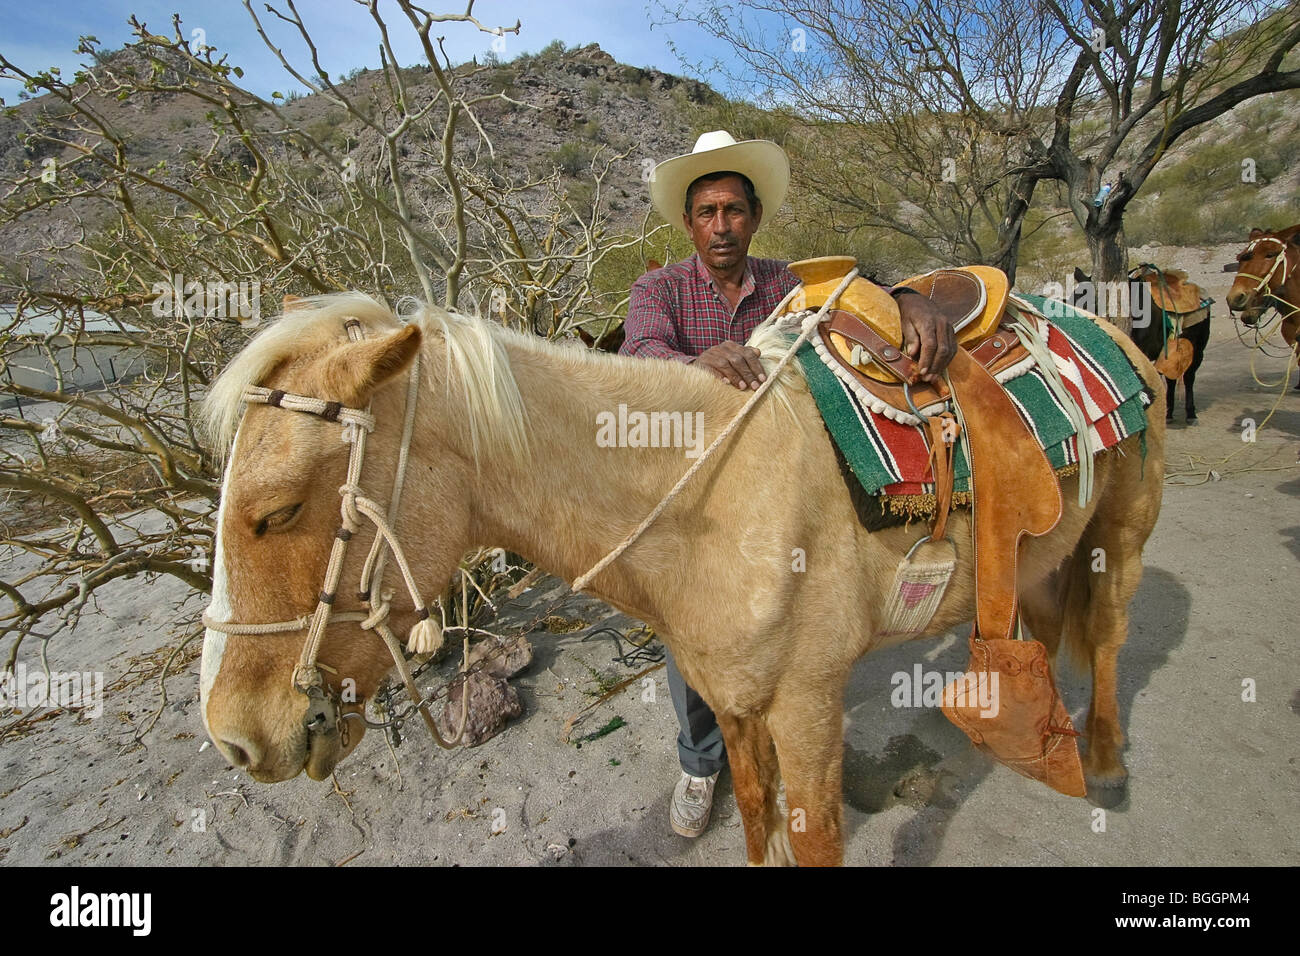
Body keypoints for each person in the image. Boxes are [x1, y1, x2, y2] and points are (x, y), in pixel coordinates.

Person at [620, 130, 957, 838]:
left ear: (754, 217)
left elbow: (859, 296)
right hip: (698, 500)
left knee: (796, 618)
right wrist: (694, 364)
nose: (722, 225)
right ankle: (700, 763)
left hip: (784, 491)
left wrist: (910, 299)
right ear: (689, 223)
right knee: (695, 632)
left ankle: (784, 734)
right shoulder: (659, 288)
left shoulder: (787, 283)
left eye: (735, 210)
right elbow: (640, 352)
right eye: (708, 212)